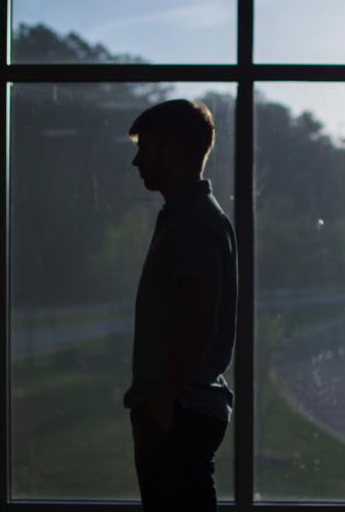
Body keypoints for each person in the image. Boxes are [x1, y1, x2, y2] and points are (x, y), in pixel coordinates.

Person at [123, 99, 238, 510]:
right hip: (180, 408)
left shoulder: (192, 220)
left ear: (171, 149)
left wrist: (163, 399)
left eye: (145, 148)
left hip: (180, 410)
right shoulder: (185, 217)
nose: (137, 161)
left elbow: (199, 316)